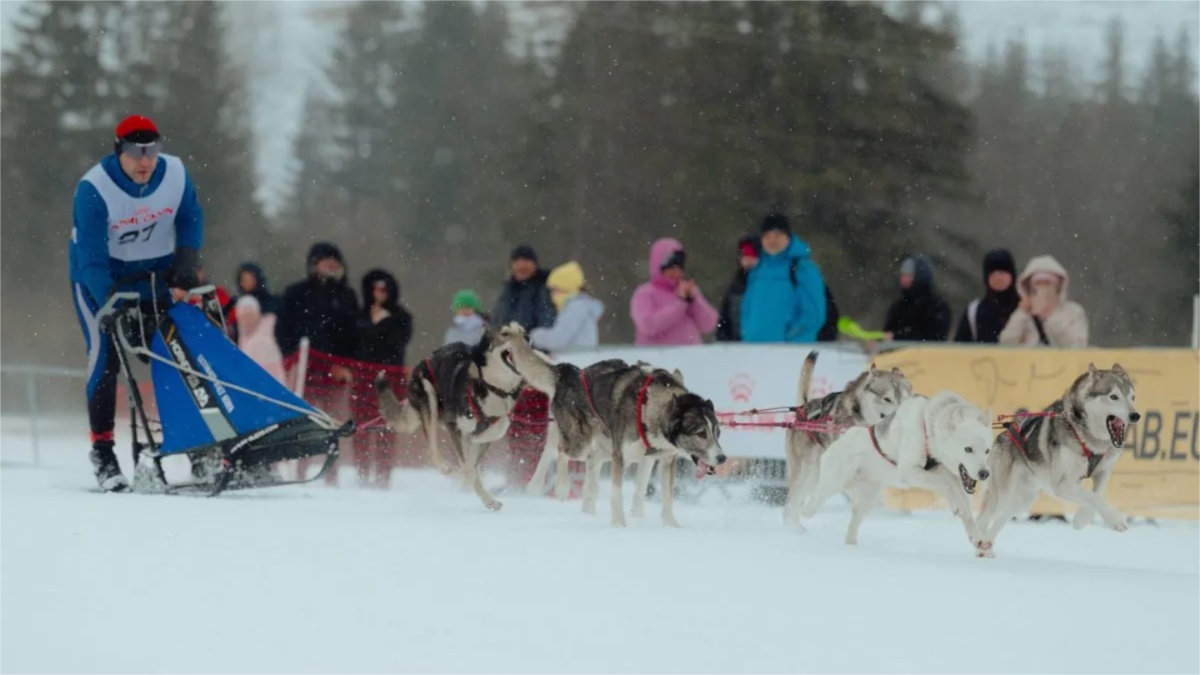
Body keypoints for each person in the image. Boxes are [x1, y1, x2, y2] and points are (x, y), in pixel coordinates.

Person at [69, 114, 204, 491]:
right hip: (101, 279)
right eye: (135, 152)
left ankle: (200, 447)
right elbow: (91, 261)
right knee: (106, 356)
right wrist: (112, 303)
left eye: (152, 151)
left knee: (176, 352)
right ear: (119, 151)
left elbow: (191, 216)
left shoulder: (175, 173)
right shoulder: (93, 188)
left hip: (154, 275)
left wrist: (187, 262)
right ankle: (103, 453)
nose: (145, 161)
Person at [739, 213, 827, 343]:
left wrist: (793, 336)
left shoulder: (802, 268)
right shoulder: (757, 269)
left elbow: (814, 313)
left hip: (790, 350)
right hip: (755, 349)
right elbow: (747, 308)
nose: (772, 241)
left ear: (788, 237)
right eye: (767, 236)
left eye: (777, 235)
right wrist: (747, 333)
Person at [275, 242, 360, 361]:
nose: (332, 264)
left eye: (335, 261)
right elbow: (283, 329)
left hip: (339, 367)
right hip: (303, 363)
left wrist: (345, 362)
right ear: (314, 265)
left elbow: (353, 334)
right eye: (326, 260)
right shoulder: (296, 293)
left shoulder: (347, 296)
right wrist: (292, 354)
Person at [630, 238, 719, 346]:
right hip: (657, 358)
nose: (676, 272)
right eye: (671, 268)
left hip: (691, 357)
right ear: (659, 267)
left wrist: (694, 301)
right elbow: (648, 325)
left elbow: (709, 324)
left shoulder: (686, 290)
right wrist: (680, 303)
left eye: (679, 267)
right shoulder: (645, 293)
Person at [999, 254, 1089, 348]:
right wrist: (1021, 315)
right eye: (1037, 284)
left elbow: (1078, 346)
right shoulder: (1023, 313)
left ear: (1058, 287)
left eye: (1048, 283)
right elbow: (1005, 344)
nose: (1042, 289)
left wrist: (1051, 317)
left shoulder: (1073, 312)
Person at [530, 261, 605, 352]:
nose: (551, 295)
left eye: (555, 290)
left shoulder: (576, 308)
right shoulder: (579, 306)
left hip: (577, 362)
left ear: (566, 289)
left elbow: (557, 340)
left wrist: (534, 335)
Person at [954, 248, 1021, 344]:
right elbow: (958, 352)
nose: (999, 277)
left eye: (1003, 271)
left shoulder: (1027, 309)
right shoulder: (974, 312)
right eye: (994, 272)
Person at [882, 254, 952, 342]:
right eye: (903, 274)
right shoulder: (898, 307)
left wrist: (897, 337)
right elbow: (887, 333)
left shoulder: (936, 306)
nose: (903, 278)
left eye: (908, 275)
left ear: (919, 276)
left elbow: (933, 336)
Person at [491, 244, 556, 332]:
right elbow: (498, 320)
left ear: (535, 265)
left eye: (526, 262)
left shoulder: (544, 289)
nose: (521, 266)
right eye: (517, 262)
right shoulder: (507, 291)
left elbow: (546, 321)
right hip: (507, 343)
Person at [357, 269, 413, 367]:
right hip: (364, 368)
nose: (378, 293)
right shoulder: (361, 315)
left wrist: (383, 322)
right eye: (374, 288)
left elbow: (397, 340)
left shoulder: (400, 317)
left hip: (390, 369)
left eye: (383, 289)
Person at [234, 295, 286, 384]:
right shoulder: (243, 336)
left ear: (258, 314)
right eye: (244, 316)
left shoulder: (265, 337)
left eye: (250, 315)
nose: (247, 320)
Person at [716, 236, 758, 342]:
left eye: (752, 255)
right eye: (745, 255)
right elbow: (724, 321)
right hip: (738, 348)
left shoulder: (768, 284)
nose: (748, 260)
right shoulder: (734, 287)